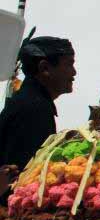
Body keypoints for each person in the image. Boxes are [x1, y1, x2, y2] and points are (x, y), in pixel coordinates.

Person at [0, 36, 75, 185]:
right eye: (69, 65)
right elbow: (26, 179)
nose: (74, 72)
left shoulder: (28, 101)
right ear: (44, 68)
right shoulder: (34, 109)